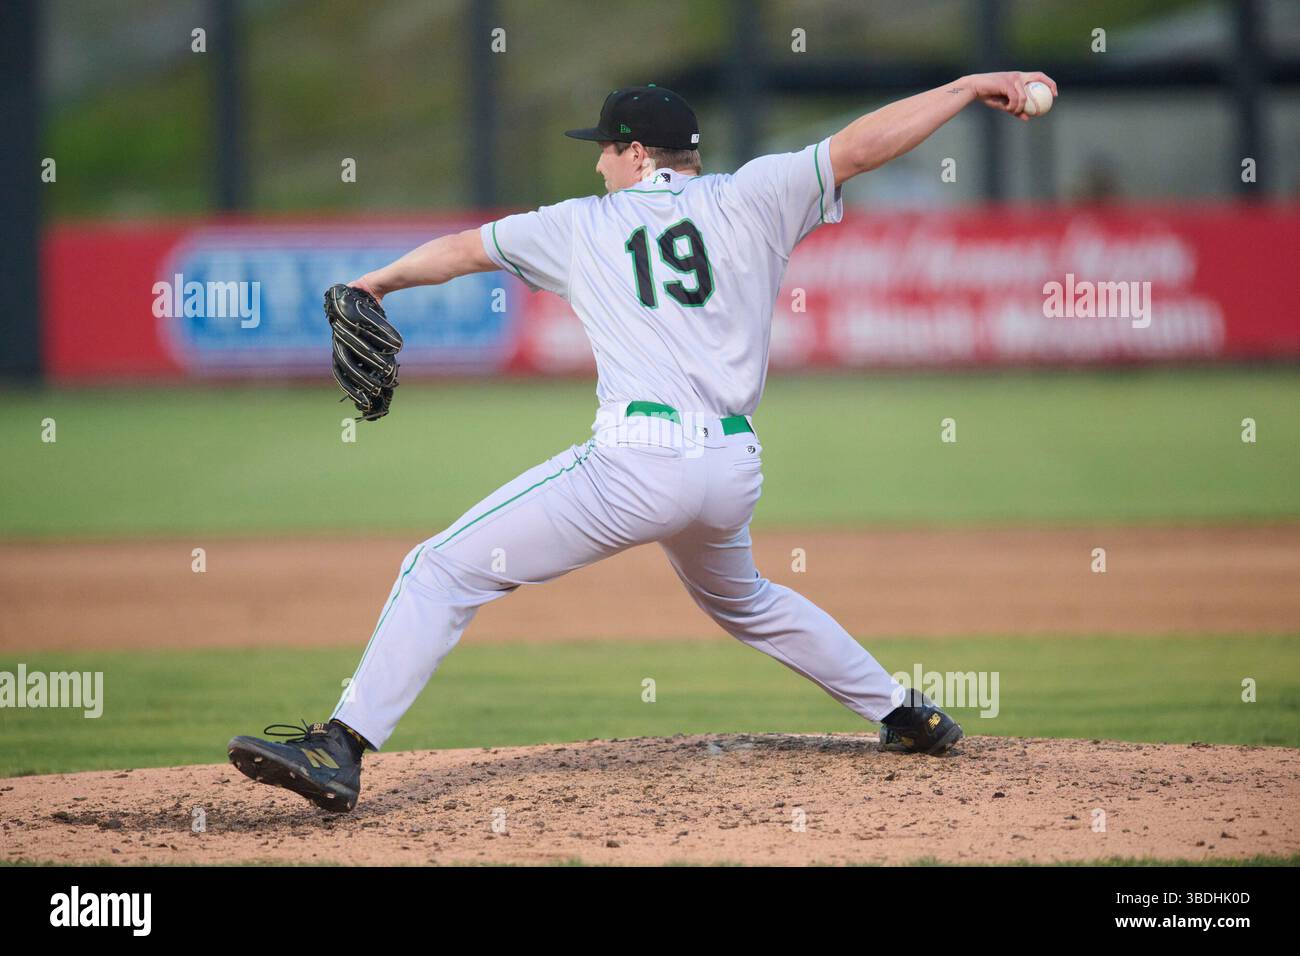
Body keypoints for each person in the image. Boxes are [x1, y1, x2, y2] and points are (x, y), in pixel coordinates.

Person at [228, 72, 1057, 812]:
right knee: (747, 600)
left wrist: (374, 282)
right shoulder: (755, 193)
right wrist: (964, 88)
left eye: (603, 149)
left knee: (439, 568)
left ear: (632, 152)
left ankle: (340, 747)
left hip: (635, 464)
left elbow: (457, 253)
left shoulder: (580, 223)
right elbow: (862, 146)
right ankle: (906, 712)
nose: (596, 164)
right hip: (732, 465)